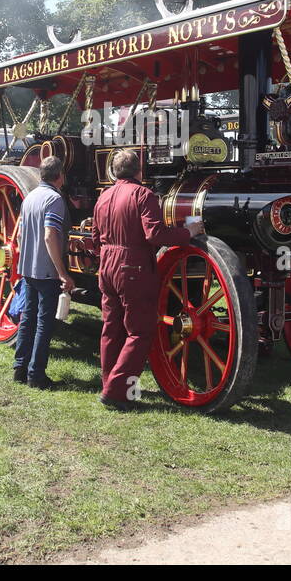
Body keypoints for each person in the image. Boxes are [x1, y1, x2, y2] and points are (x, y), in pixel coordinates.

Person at [92, 148, 201, 411]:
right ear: (139, 171)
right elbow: (153, 234)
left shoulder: (103, 197)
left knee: (111, 329)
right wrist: (187, 233)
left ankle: (110, 383)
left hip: (107, 264)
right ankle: (117, 391)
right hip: (132, 267)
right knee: (139, 332)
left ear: (114, 172)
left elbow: (95, 240)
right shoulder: (143, 194)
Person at [12, 155, 74, 390]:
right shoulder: (54, 199)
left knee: (28, 319)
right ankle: (36, 375)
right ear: (60, 176)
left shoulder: (30, 197)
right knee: (43, 324)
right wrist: (62, 272)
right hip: (46, 272)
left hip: (27, 270)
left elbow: (19, 234)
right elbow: (50, 235)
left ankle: (20, 367)